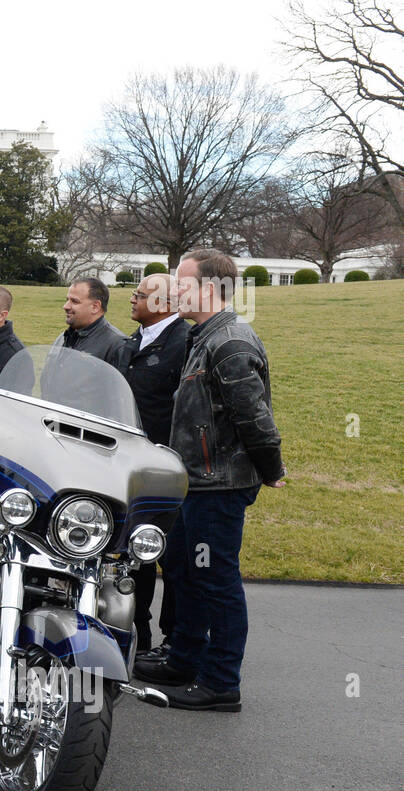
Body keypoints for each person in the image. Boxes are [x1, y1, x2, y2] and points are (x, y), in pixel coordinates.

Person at [134, 249, 285, 712]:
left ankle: (220, 683)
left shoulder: (231, 342)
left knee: (215, 580)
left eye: (181, 282)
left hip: (218, 485)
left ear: (209, 289)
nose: (172, 290)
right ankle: (184, 659)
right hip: (195, 482)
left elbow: (254, 416)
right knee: (184, 570)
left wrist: (271, 469)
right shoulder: (204, 336)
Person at [122, 272, 188, 657]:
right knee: (135, 553)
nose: (132, 299)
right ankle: (137, 632)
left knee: (171, 556)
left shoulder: (183, 343)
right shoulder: (133, 340)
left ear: (163, 304)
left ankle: (173, 641)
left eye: (140, 295)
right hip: (131, 464)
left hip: (167, 467)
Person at [56, 277, 128, 368]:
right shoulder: (63, 338)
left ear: (95, 307)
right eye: (67, 300)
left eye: (74, 301)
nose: (65, 306)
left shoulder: (117, 345)